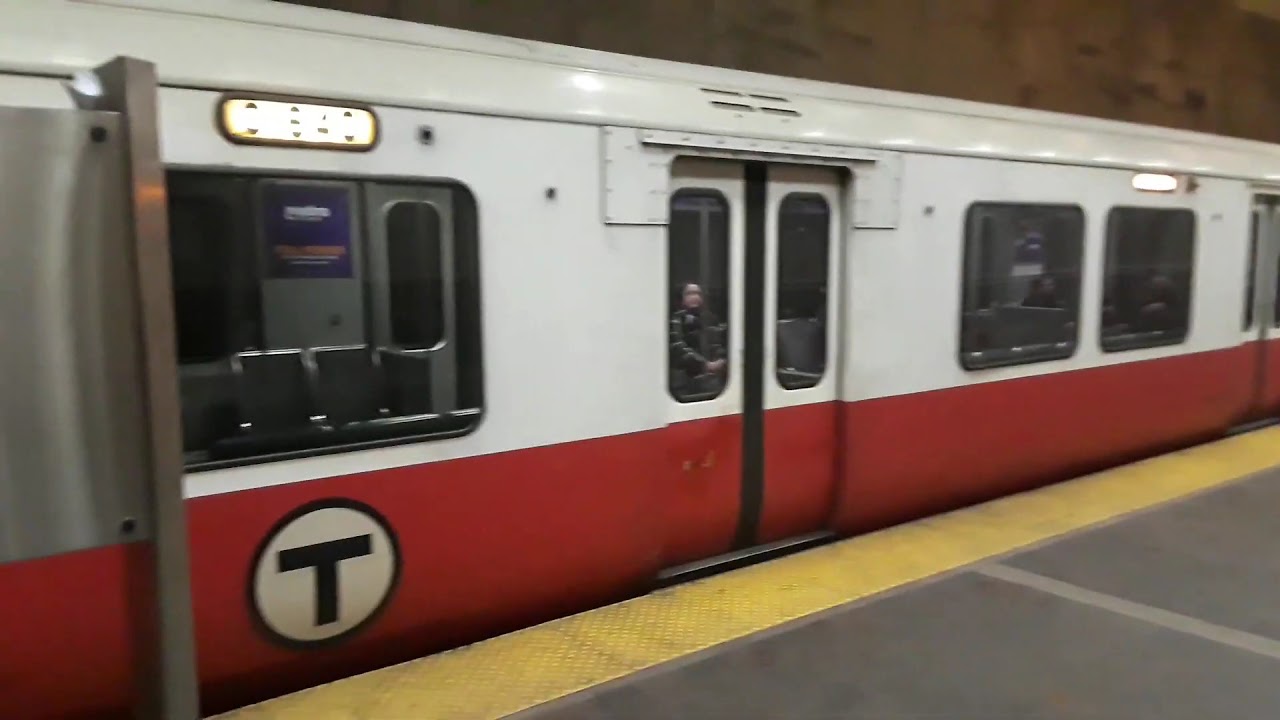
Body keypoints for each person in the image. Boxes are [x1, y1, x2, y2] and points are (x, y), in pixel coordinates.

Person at [669, 283, 726, 397]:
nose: (695, 297)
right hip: (685, 381)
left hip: (713, 381)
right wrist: (704, 365)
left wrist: (721, 360)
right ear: (682, 298)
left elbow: (720, 341)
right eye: (690, 293)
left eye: (698, 293)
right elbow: (677, 346)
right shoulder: (675, 321)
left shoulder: (711, 318)